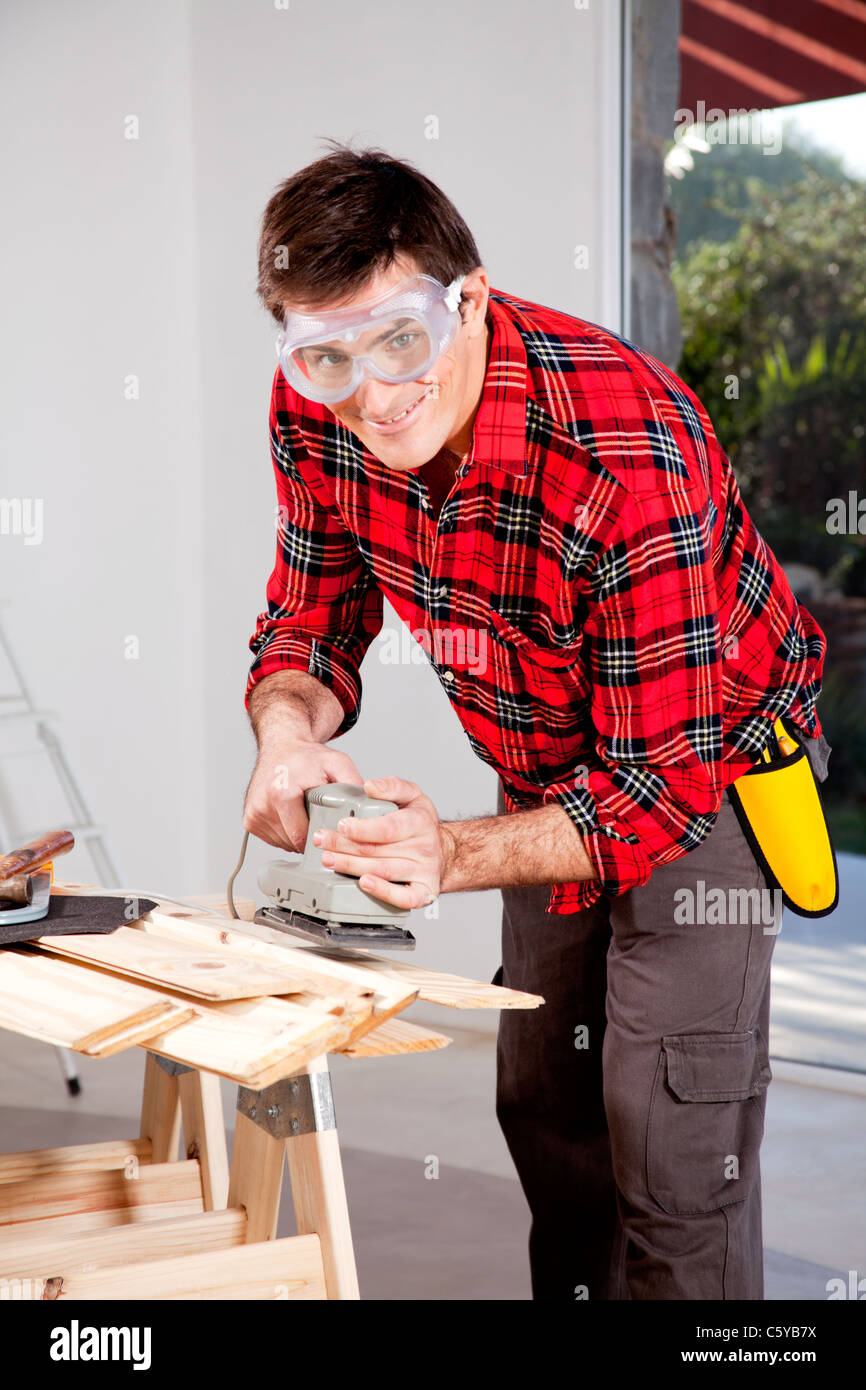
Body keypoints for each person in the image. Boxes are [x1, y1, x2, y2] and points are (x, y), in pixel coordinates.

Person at [242, 142, 830, 1300]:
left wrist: (447, 851)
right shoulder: (318, 405)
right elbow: (314, 612)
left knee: (668, 1140)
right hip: (545, 760)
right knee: (551, 1117)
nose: (369, 391)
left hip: (704, 761)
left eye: (399, 338)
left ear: (468, 298)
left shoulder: (621, 446)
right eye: (325, 356)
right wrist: (286, 733)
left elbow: (654, 791)